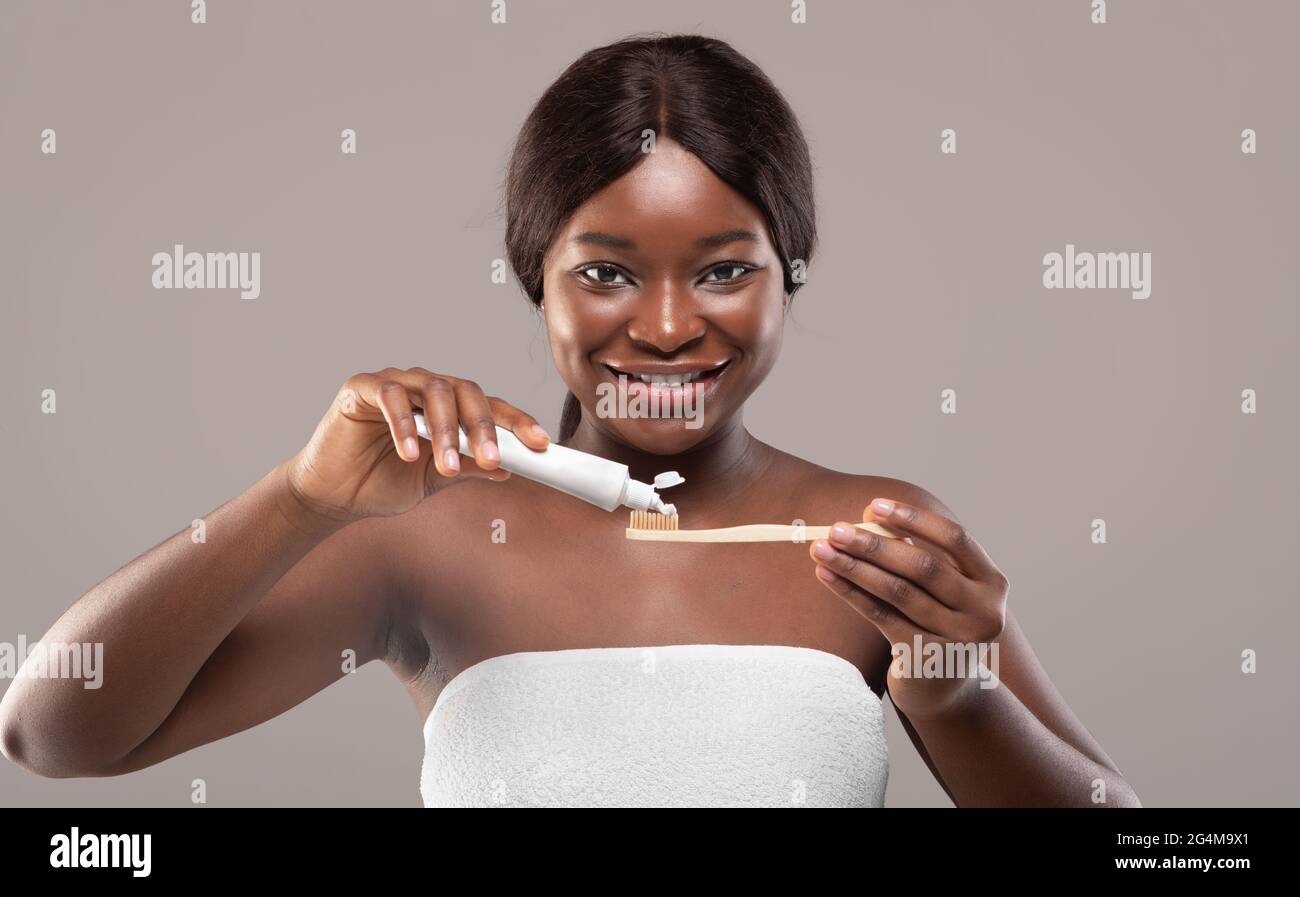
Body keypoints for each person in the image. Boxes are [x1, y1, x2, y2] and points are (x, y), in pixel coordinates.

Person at [0, 34, 1140, 808]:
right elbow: (50, 737)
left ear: (789, 272)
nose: (662, 326)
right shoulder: (424, 539)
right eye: (603, 275)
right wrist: (297, 502)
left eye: (723, 271)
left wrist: (958, 690)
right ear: (530, 278)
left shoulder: (879, 539)